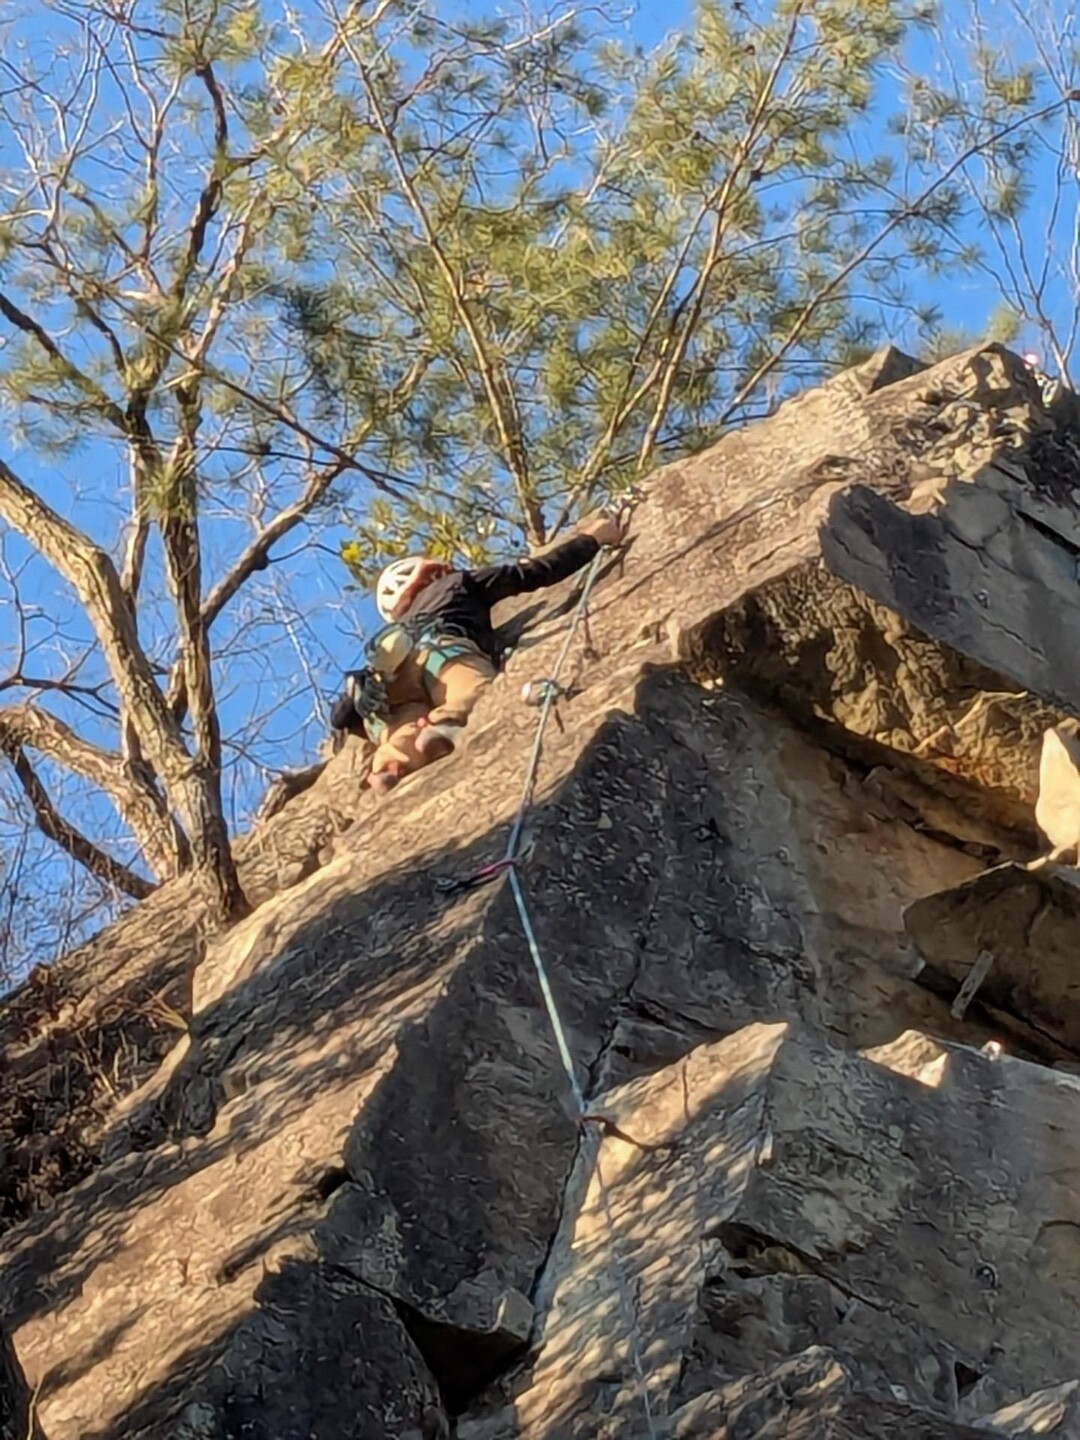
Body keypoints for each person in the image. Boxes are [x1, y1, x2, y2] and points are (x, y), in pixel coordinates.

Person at [331, 513, 629, 793]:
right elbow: (533, 573)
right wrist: (593, 539)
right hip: (439, 651)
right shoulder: (456, 583)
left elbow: (341, 717)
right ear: (435, 573)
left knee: (400, 728)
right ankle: (445, 724)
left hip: (383, 687)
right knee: (473, 692)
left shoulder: (387, 640)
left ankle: (390, 762)